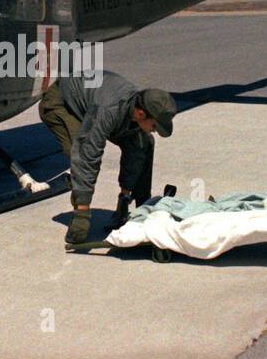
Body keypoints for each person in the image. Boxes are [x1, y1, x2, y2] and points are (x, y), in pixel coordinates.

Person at [38, 70, 177, 244]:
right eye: (155, 125)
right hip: (62, 103)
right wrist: (83, 213)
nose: (156, 130)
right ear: (141, 114)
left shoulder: (134, 106)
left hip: (93, 102)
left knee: (143, 142)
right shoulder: (109, 109)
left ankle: (143, 204)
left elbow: (135, 155)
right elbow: (87, 154)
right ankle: (80, 213)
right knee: (80, 147)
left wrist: (125, 199)